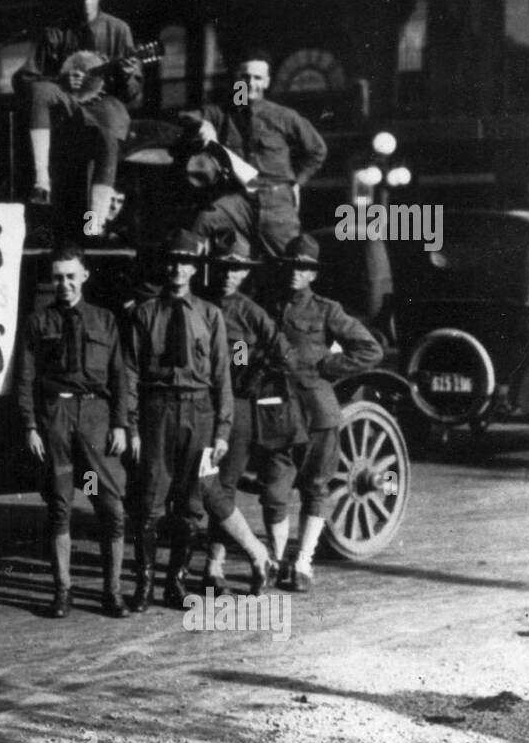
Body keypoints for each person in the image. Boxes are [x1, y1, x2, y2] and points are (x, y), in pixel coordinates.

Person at [126, 229, 274, 612]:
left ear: (194, 268)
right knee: (150, 500)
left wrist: (223, 429)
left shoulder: (209, 315)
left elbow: (223, 375)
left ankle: (176, 584)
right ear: (166, 265)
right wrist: (130, 426)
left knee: (192, 503)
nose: (178, 269)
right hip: (157, 411)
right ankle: (144, 585)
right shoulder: (143, 314)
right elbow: (129, 373)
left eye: (186, 262)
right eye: (173, 261)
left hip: (199, 411)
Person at [17, 245, 134, 619]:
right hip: (56, 417)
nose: (64, 284)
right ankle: (62, 591)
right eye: (58, 277)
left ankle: (111, 592)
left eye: (71, 276)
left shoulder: (105, 320)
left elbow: (119, 375)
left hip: (96, 420)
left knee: (108, 503)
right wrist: (31, 425)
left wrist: (120, 423)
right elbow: (26, 378)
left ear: (84, 276)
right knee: (60, 504)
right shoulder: (39, 322)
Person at [259, 234, 382, 591]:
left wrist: (329, 365)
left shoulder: (327, 310)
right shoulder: (266, 306)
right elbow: (243, 345)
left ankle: (302, 565)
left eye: (303, 268)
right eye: (290, 266)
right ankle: (277, 560)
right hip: (276, 411)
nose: (294, 273)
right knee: (274, 491)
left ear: (313, 274)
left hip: (317, 413)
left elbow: (369, 349)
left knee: (315, 487)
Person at [198, 231, 298, 595]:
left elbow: (286, 354)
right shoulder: (199, 303)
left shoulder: (250, 313)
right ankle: (250, 557)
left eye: (236, 269)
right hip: (200, 404)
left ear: (245, 273)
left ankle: (215, 564)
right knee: (204, 486)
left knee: (221, 486)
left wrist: (254, 370)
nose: (228, 275)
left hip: (237, 408)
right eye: (224, 267)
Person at [14, 0, 144, 229]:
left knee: (108, 137)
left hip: (104, 108)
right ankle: (42, 180)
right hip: (65, 109)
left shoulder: (118, 30)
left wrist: (128, 76)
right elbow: (23, 80)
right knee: (40, 91)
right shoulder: (55, 32)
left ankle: (94, 221)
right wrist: (59, 81)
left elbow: (133, 96)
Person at [184, 50, 328, 257]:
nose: (250, 83)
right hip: (237, 201)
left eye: (257, 78)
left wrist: (298, 182)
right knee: (202, 221)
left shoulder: (283, 116)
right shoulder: (222, 113)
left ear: (267, 82)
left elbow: (317, 150)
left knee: (288, 263)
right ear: (236, 80)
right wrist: (203, 124)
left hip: (276, 203)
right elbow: (186, 117)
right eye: (244, 77)